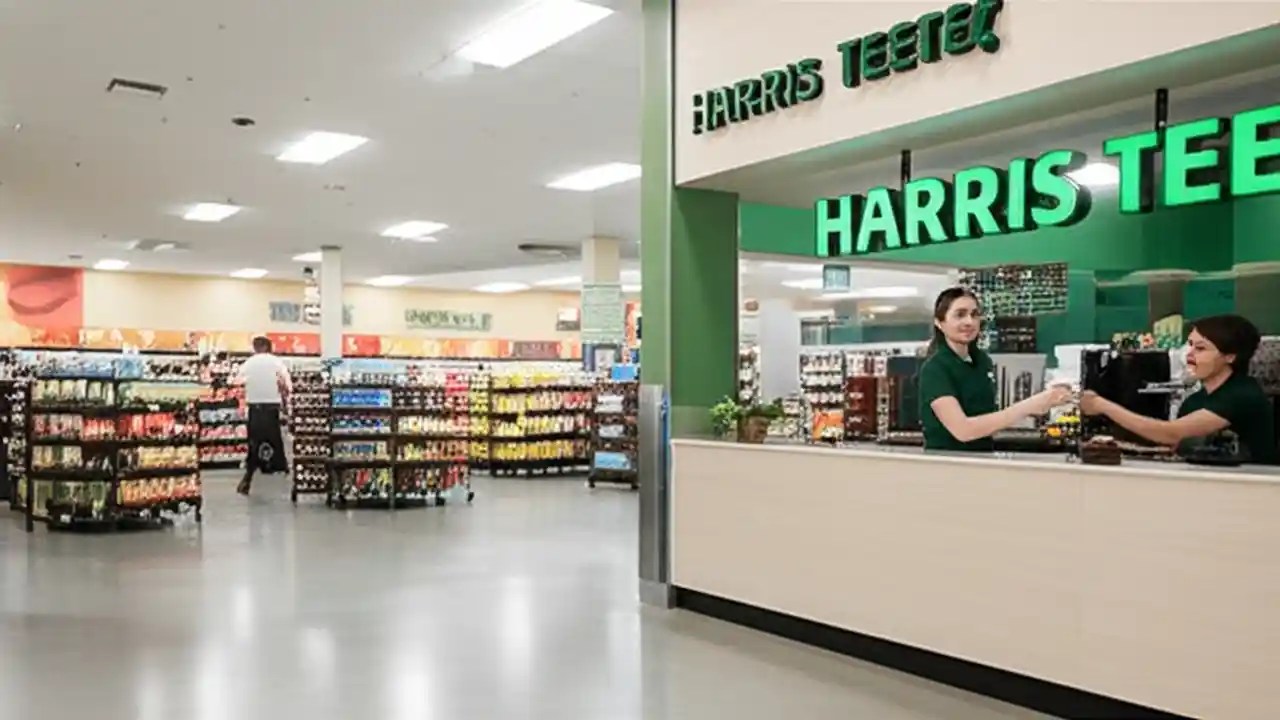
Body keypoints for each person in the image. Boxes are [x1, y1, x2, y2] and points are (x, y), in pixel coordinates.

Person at [1081, 315, 1277, 464]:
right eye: (1190, 346)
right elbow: (1176, 446)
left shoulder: (1241, 394)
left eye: (1201, 349)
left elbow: (1172, 433)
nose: (1189, 355)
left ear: (1230, 357)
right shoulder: (1195, 400)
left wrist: (1103, 405)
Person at [918, 287, 1072, 451]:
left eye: (974, 314)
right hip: (947, 465)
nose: (969, 322)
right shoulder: (935, 369)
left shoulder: (982, 362)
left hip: (984, 461)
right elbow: (963, 430)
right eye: (960, 315)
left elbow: (990, 420)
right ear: (939, 323)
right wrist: (1028, 406)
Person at [234, 336, 292, 494]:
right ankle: (278, 464)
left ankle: (252, 469)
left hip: (255, 406)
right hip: (272, 406)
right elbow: (288, 384)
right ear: (268, 347)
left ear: (255, 347)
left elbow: (235, 381)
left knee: (254, 440)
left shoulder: (249, 363)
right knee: (274, 437)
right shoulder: (276, 362)